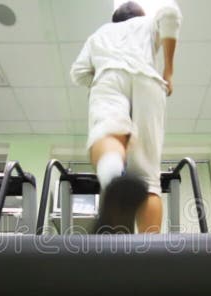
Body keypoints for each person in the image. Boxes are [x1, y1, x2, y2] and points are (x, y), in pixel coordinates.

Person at [71, 1, 182, 234]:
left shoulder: (99, 35)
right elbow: (170, 14)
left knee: (109, 132)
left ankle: (113, 182)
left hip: (109, 77)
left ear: (116, 19)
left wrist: (101, 80)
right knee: (149, 179)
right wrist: (168, 71)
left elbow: (79, 73)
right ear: (139, 15)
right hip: (149, 82)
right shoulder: (147, 23)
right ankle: (148, 254)